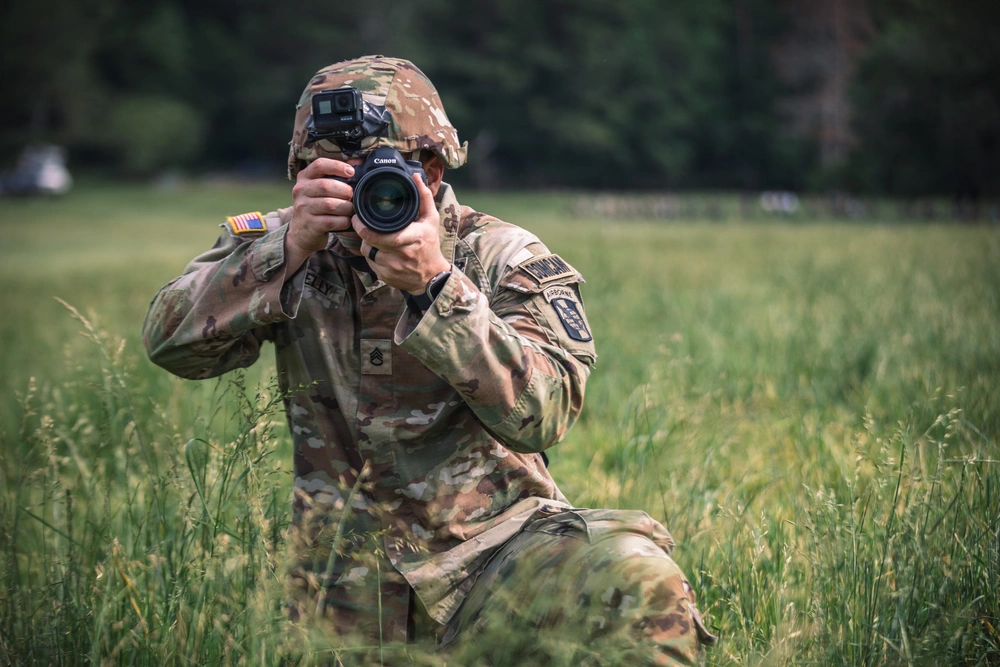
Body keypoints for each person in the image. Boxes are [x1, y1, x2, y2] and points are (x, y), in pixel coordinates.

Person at [143, 55, 715, 664]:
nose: (362, 193)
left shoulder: (498, 255)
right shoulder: (287, 244)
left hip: (496, 557)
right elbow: (171, 345)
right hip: (344, 584)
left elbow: (544, 414)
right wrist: (283, 251)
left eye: (379, 172)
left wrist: (438, 290)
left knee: (639, 583)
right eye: (332, 172)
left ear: (432, 171)